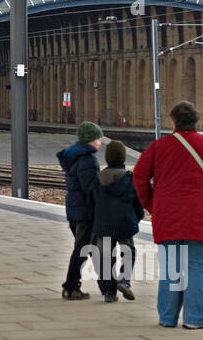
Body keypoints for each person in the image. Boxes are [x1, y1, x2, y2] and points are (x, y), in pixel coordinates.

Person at [134, 101, 203, 329]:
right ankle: (195, 318)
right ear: (196, 121)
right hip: (198, 216)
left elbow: (139, 177)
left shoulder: (158, 147)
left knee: (171, 268)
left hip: (167, 215)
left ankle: (168, 317)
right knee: (195, 267)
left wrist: (152, 204)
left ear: (173, 121)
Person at [90, 139, 144, 302]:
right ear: (123, 158)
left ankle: (109, 292)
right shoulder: (129, 179)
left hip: (103, 225)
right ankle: (124, 281)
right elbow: (137, 203)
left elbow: (93, 201)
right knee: (129, 252)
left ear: (107, 158)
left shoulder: (98, 179)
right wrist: (136, 218)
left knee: (106, 257)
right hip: (124, 223)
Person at [57, 121, 104, 300]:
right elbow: (90, 188)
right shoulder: (88, 159)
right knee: (82, 249)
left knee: (86, 248)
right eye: (98, 138)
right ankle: (70, 287)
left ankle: (107, 283)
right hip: (85, 211)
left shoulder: (76, 156)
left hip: (75, 208)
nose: (100, 142)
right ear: (90, 140)